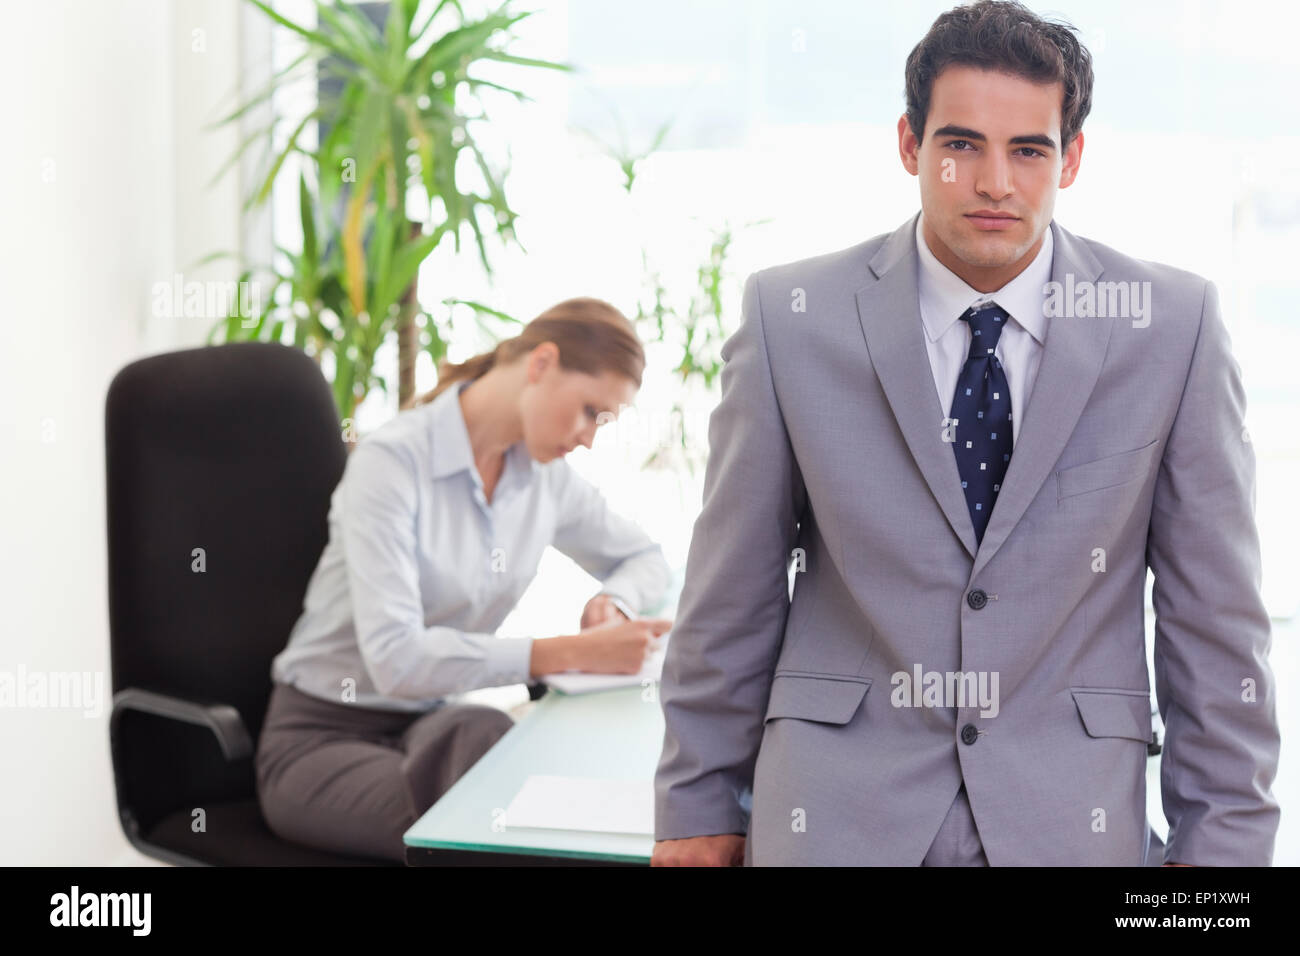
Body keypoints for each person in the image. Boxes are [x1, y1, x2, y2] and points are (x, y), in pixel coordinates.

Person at [652, 0, 1279, 866]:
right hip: (835, 818)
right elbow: (731, 596)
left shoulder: (1172, 328)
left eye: (1029, 150)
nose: (994, 183)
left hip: (1070, 824)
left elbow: (1214, 628)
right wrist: (695, 807)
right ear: (910, 145)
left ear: (1073, 157)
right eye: (960, 146)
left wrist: (1224, 859)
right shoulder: (792, 319)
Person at [256, 297, 674, 863]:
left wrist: (615, 602)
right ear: (541, 363)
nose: (587, 439)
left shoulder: (542, 478)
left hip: (432, 722)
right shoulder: (392, 462)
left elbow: (647, 558)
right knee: (491, 822)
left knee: (490, 740)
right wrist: (572, 653)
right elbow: (396, 659)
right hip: (321, 737)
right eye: (588, 411)